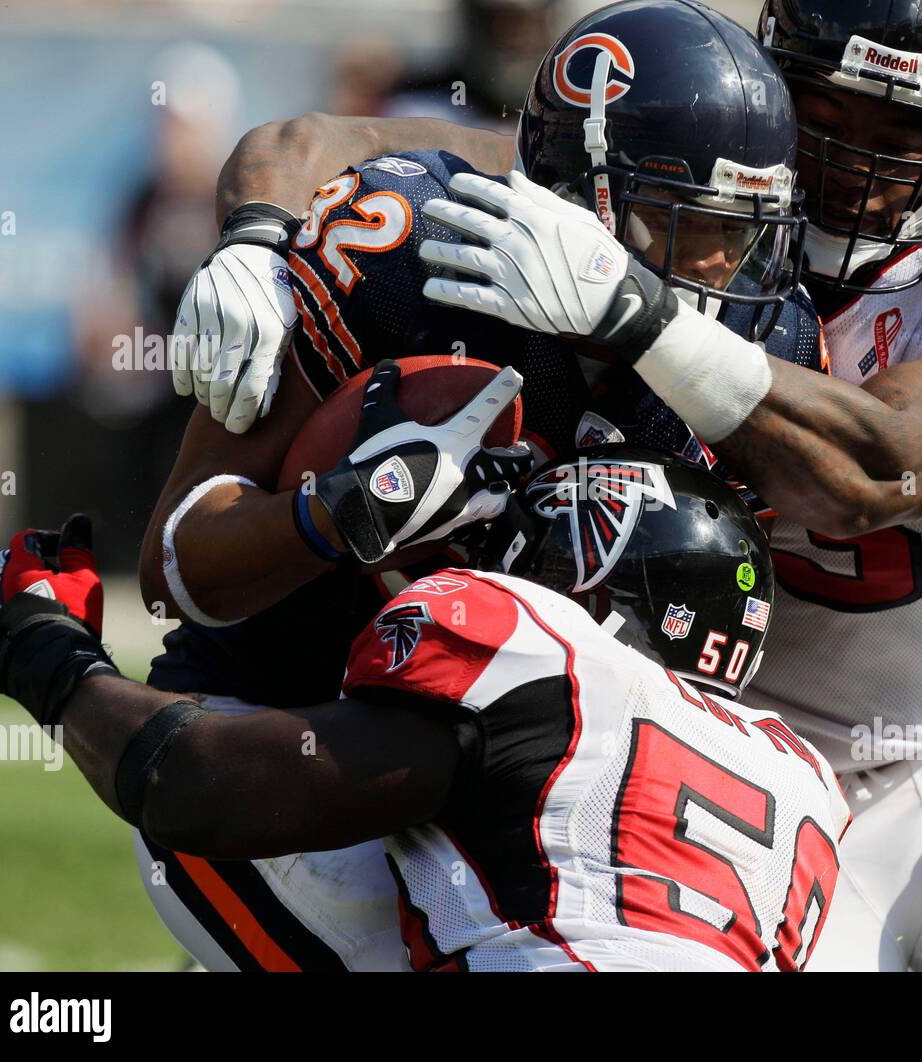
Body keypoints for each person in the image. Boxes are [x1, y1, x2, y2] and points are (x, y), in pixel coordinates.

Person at [187, 0, 922, 970]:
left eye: (903, 133)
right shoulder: (671, 168)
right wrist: (255, 239)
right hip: (731, 767)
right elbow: (316, 142)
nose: (856, 165)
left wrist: (642, 318)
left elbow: (885, 469)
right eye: (822, 115)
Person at [136, 0, 820, 968]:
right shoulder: (397, 258)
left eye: (743, 228)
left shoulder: (767, 333)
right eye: (691, 222)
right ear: (582, 195)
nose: (721, 264)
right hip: (289, 743)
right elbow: (177, 568)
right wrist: (333, 515)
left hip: (525, 769)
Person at [0, 431, 850, 972]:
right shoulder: (805, 777)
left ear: (600, 585)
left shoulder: (541, 640)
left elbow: (193, 783)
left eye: (549, 547)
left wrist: (49, 655)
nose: (521, 562)